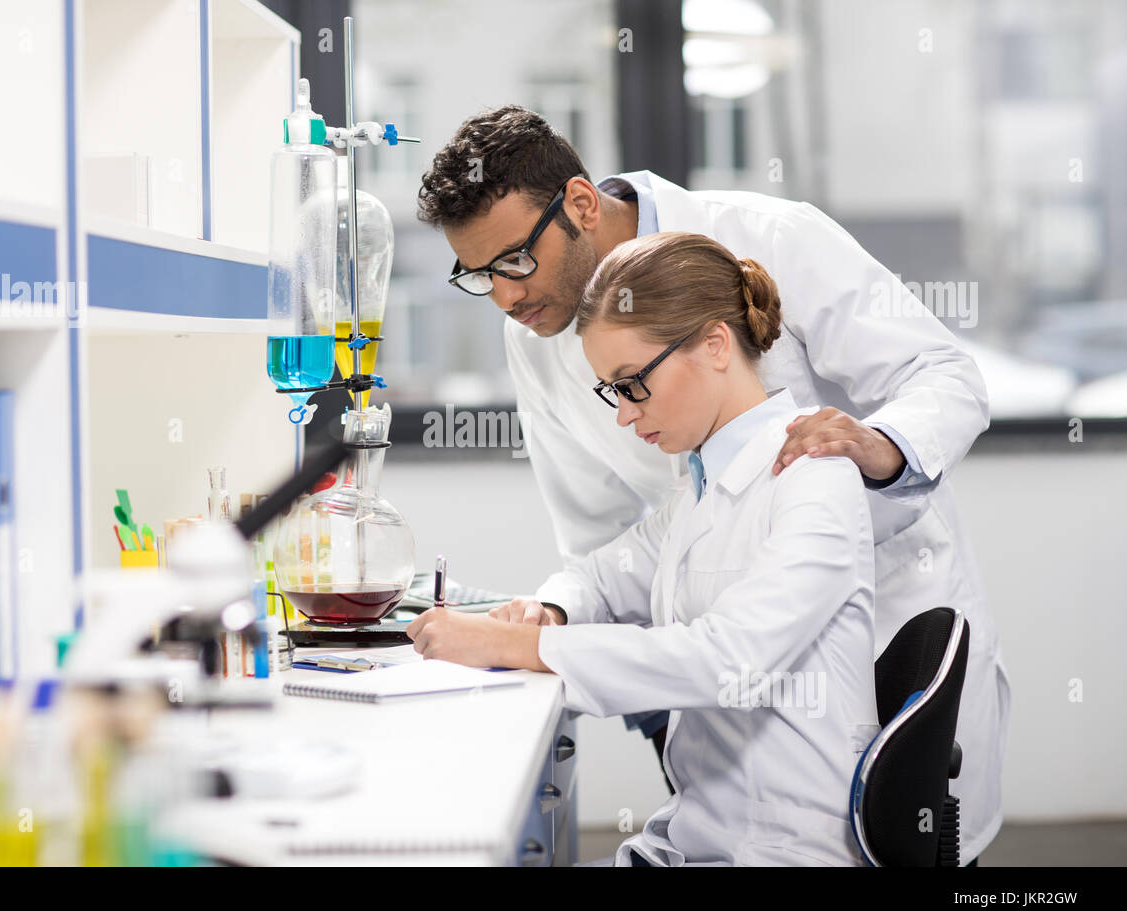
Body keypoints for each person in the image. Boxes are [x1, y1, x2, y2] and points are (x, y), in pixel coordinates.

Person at [416, 106, 1008, 865]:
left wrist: (878, 446)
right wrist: (557, 613)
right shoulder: (539, 337)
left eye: (514, 262)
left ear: (582, 205)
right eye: (478, 276)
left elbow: (947, 375)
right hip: (715, 738)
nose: (504, 295)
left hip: (868, 641)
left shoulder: (774, 243)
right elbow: (604, 537)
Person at [407, 232, 881, 866]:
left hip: (778, 851)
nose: (626, 417)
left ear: (714, 345)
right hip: (697, 838)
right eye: (612, 390)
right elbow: (602, 579)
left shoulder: (813, 478)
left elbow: (728, 659)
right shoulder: (699, 492)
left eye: (632, 384)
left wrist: (513, 645)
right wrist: (548, 611)